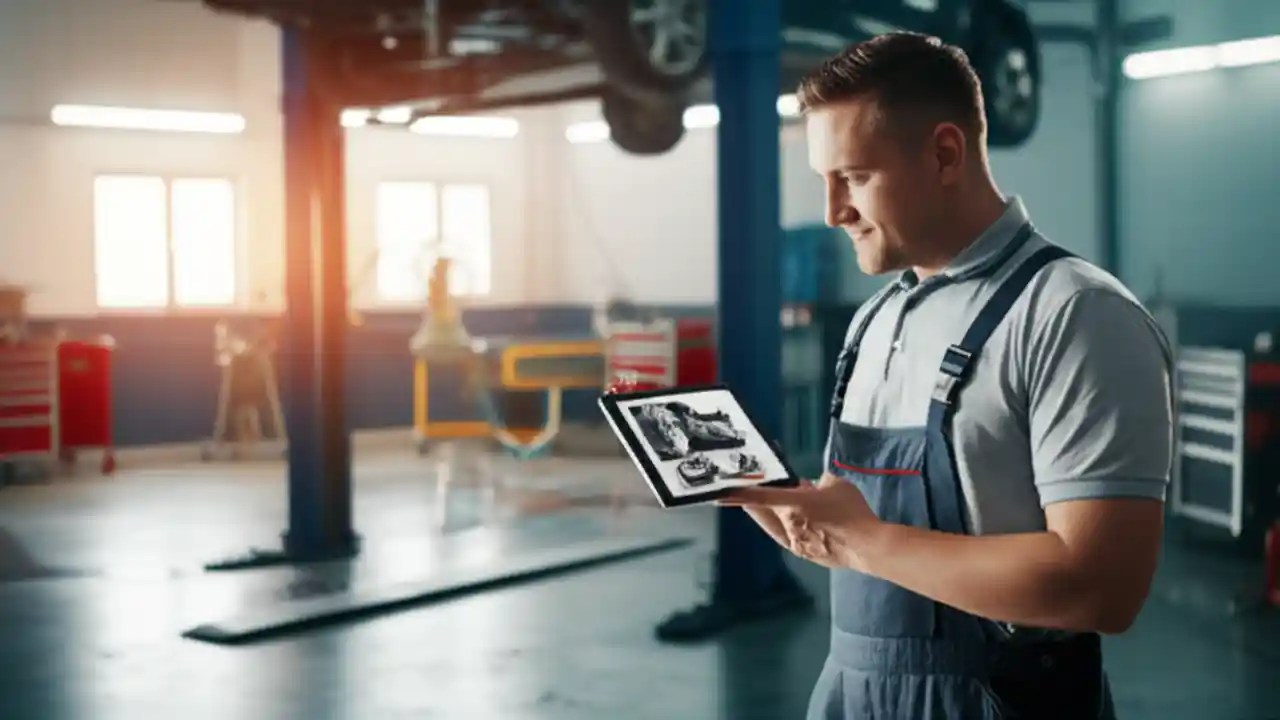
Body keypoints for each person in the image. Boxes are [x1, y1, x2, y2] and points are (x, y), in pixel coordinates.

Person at [719, 33, 1173, 719]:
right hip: (852, 694)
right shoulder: (873, 321)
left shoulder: (1075, 314)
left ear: (945, 154)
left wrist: (861, 539)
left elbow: (1101, 588)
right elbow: (870, 546)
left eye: (854, 177)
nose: (833, 211)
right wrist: (807, 519)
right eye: (824, 181)